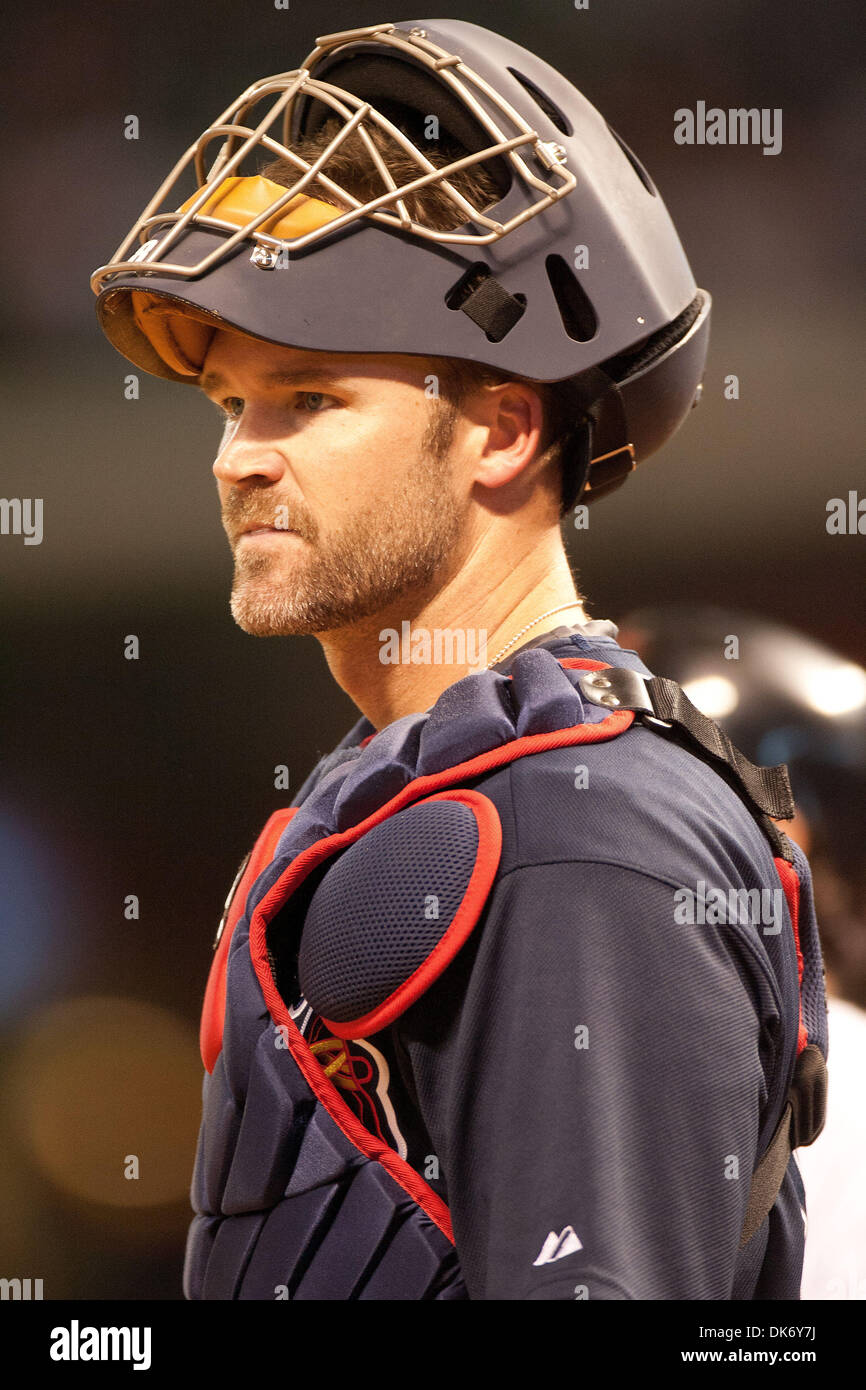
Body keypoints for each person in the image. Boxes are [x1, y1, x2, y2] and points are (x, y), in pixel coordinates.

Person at [90, 19, 826, 1300]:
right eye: (232, 404)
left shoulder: (581, 831)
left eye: (309, 399)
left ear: (498, 429)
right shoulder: (434, 780)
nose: (237, 457)